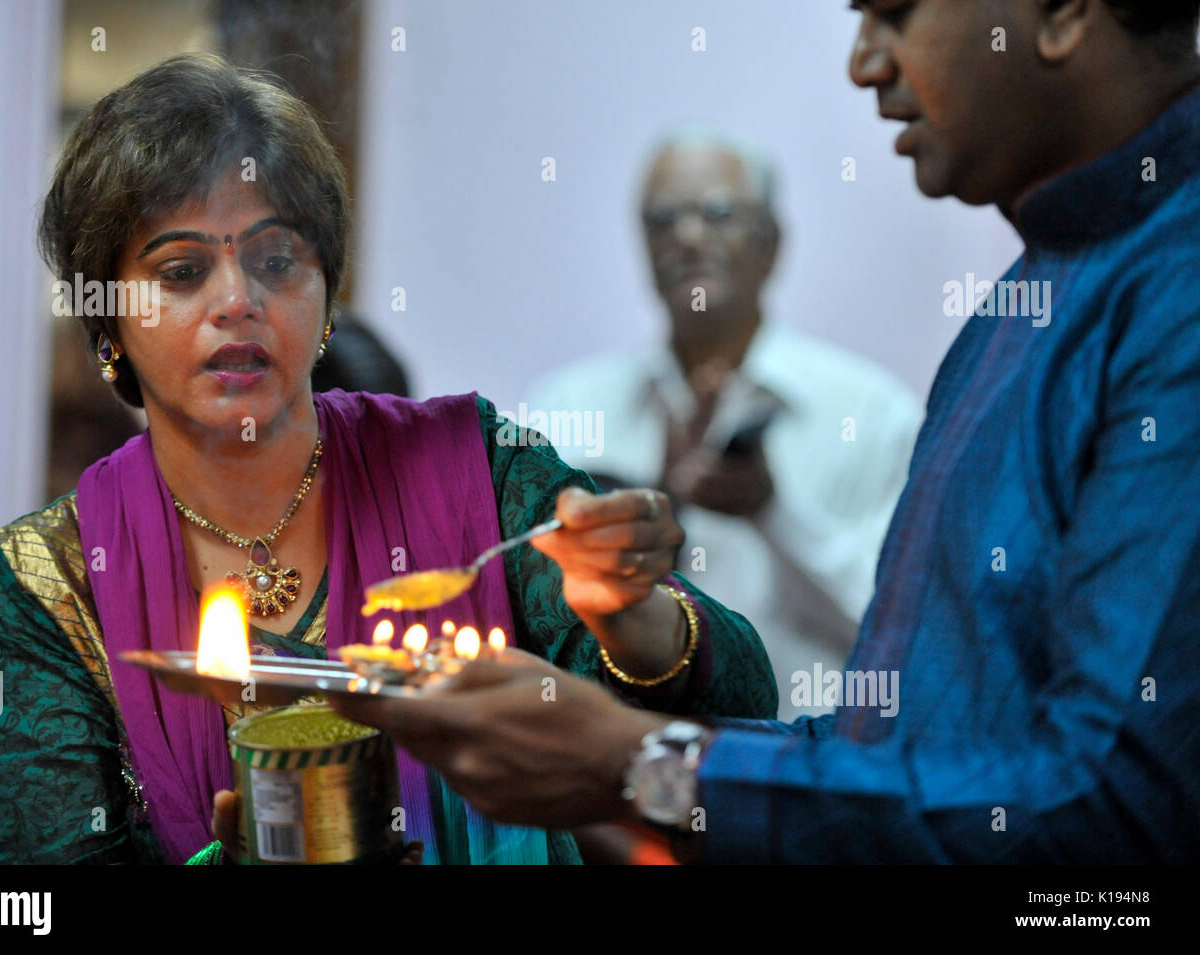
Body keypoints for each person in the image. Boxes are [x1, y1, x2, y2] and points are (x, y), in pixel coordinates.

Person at [334, 0, 1200, 862]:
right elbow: (894, 745)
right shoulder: (1016, 316)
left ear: (1063, 13)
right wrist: (621, 764)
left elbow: (1112, 813)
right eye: (664, 221)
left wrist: (639, 763)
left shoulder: (1173, 297)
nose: (865, 64)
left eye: (894, 14)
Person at [0, 53, 777, 866]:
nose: (238, 300)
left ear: (327, 300)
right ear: (107, 323)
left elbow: (743, 703)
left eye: (276, 260)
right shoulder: (45, 581)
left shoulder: (473, 467)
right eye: (181, 271)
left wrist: (637, 617)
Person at [526, 134, 920, 719]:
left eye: (716, 212)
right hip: (606, 777)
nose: (686, 237)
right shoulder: (566, 406)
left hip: (805, 779)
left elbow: (904, 627)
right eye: (663, 219)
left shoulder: (870, 413)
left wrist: (771, 512)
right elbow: (525, 611)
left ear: (772, 242)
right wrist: (656, 509)